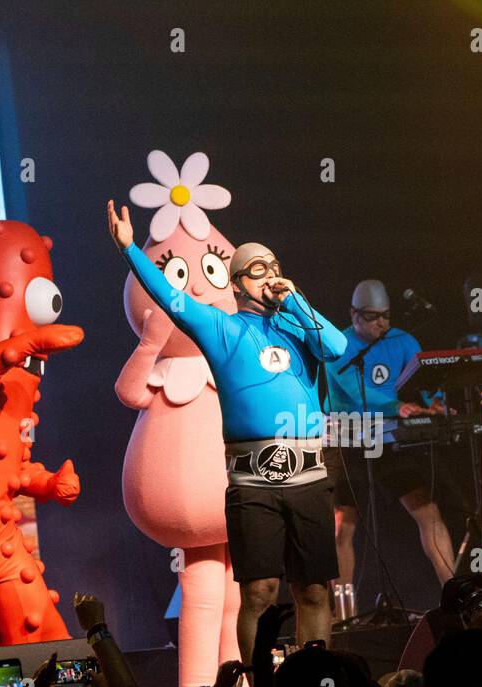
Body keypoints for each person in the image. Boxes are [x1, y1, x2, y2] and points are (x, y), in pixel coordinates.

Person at [108, 202, 347, 663]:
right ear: (236, 283)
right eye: (258, 270)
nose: (270, 276)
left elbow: (336, 346)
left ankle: (315, 682)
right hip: (252, 482)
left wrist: (294, 299)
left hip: (309, 477)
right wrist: (129, 249)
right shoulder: (221, 328)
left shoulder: (298, 329)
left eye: (275, 267)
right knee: (258, 592)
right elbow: (169, 297)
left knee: (314, 590)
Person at [324, 279, 455, 589]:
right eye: (372, 316)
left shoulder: (404, 341)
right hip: (347, 440)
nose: (381, 323)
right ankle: (345, 615)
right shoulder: (338, 346)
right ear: (354, 314)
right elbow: (359, 394)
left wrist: (435, 401)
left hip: (388, 438)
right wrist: (399, 406)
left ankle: (454, 594)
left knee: (428, 511)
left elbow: (425, 381)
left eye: (386, 315)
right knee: (343, 524)